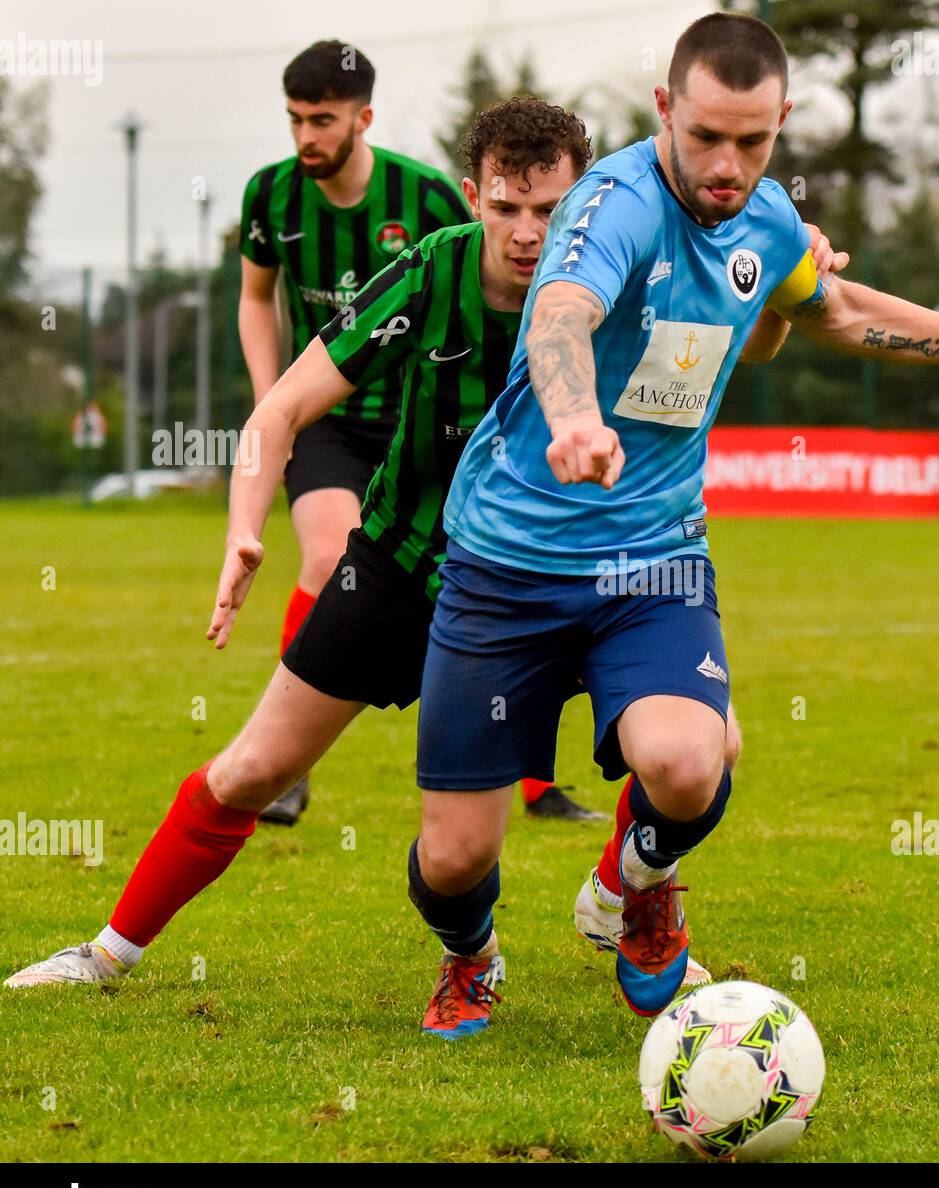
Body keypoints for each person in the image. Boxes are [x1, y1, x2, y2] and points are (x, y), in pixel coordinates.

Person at [5, 96, 830, 1002]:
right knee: (256, 768)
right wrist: (246, 526)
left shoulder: (632, 262)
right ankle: (107, 952)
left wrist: (796, 273)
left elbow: (743, 327)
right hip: (405, 568)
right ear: (472, 197)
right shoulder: (433, 274)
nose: (527, 233)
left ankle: (623, 893)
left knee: (709, 746)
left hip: (581, 574)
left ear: (589, 202)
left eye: (550, 212)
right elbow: (281, 406)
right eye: (506, 208)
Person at [406, 10, 939, 1039]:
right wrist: (574, 420)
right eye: (705, 136)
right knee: (452, 858)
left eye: (752, 140)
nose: (726, 163)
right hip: (508, 559)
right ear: (664, 109)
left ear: (780, 121)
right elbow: (561, 313)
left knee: (695, 761)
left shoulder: (766, 217)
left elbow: (830, 307)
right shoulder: (608, 204)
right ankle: (471, 955)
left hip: (651, 553)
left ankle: (634, 882)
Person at [240, 39, 591, 823]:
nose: (307, 137)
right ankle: (290, 762)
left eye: (322, 119)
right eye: (295, 119)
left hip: (414, 419)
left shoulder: (430, 198)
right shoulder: (268, 195)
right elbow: (254, 299)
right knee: (335, 554)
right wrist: (273, 410)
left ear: (362, 117)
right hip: (332, 421)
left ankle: (541, 788)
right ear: (480, 200)